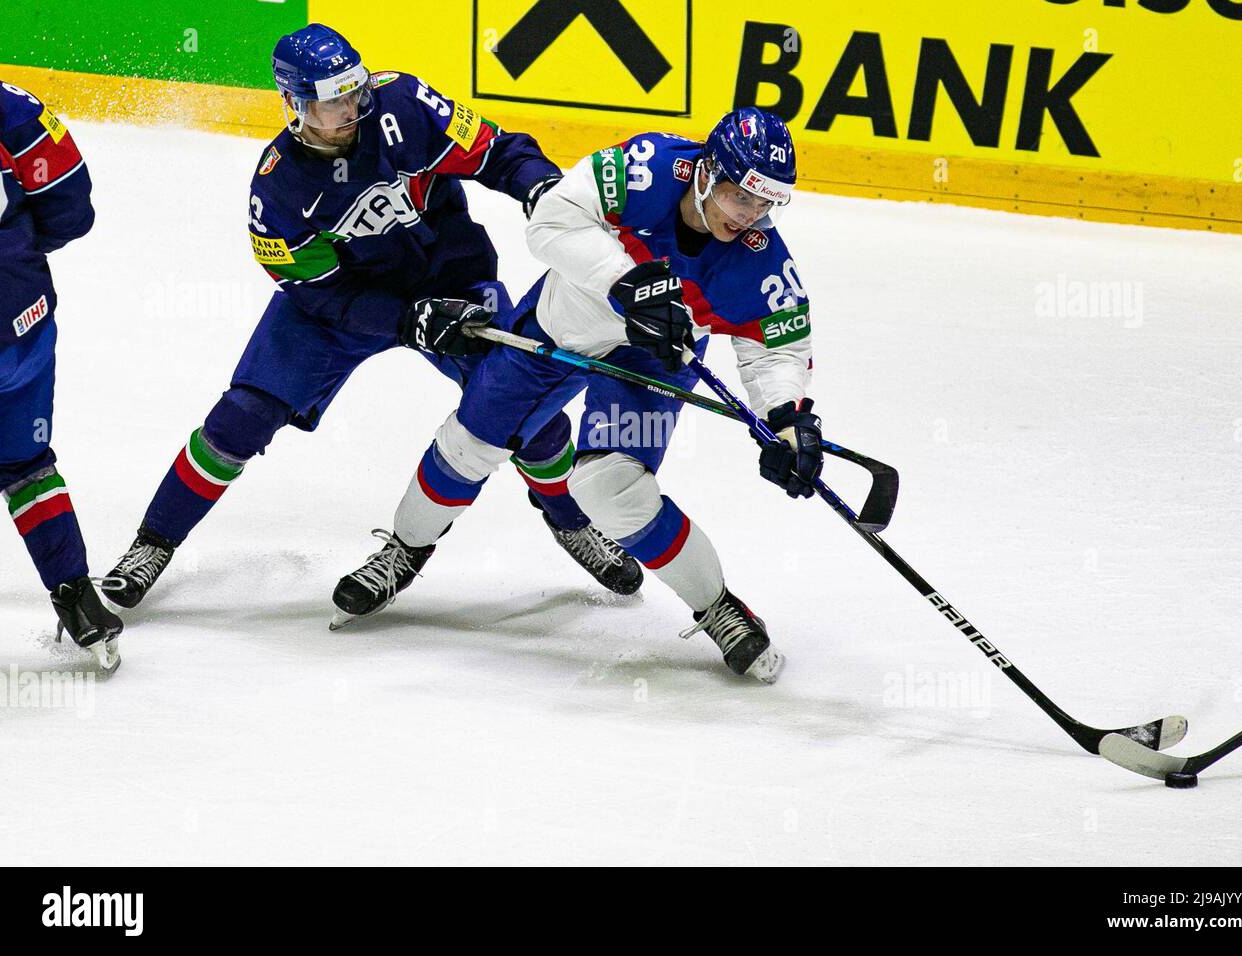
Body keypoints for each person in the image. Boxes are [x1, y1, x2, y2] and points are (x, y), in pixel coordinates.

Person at [101, 24, 641, 625]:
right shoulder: (276, 189)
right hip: (341, 304)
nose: (348, 112)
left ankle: (573, 525)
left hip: (450, 281)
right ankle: (153, 542)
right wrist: (405, 319)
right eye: (329, 103)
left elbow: (497, 151)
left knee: (522, 409)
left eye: (353, 93)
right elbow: (313, 289)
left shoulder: (405, 107)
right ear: (292, 106)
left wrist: (541, 188)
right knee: (242, 417)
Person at [336, 108, 823, 682]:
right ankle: (406, 548)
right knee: (469, 445)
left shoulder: (759, 258)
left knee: (609, 487)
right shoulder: (646, 169)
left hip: (652, 358)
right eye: (742, 197)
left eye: (765, 204)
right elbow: (550, 219)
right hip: (562, 323)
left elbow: (776, 347)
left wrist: (787, 418)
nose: (750, 216)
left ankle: (719, 606)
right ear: (707, 170)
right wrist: (624, 280)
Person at [0, 78, 121, 672]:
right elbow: (72, 209)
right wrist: (13, 251)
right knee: (25, 467)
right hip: (19, 321)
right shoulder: (11, 106)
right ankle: (76, 595)